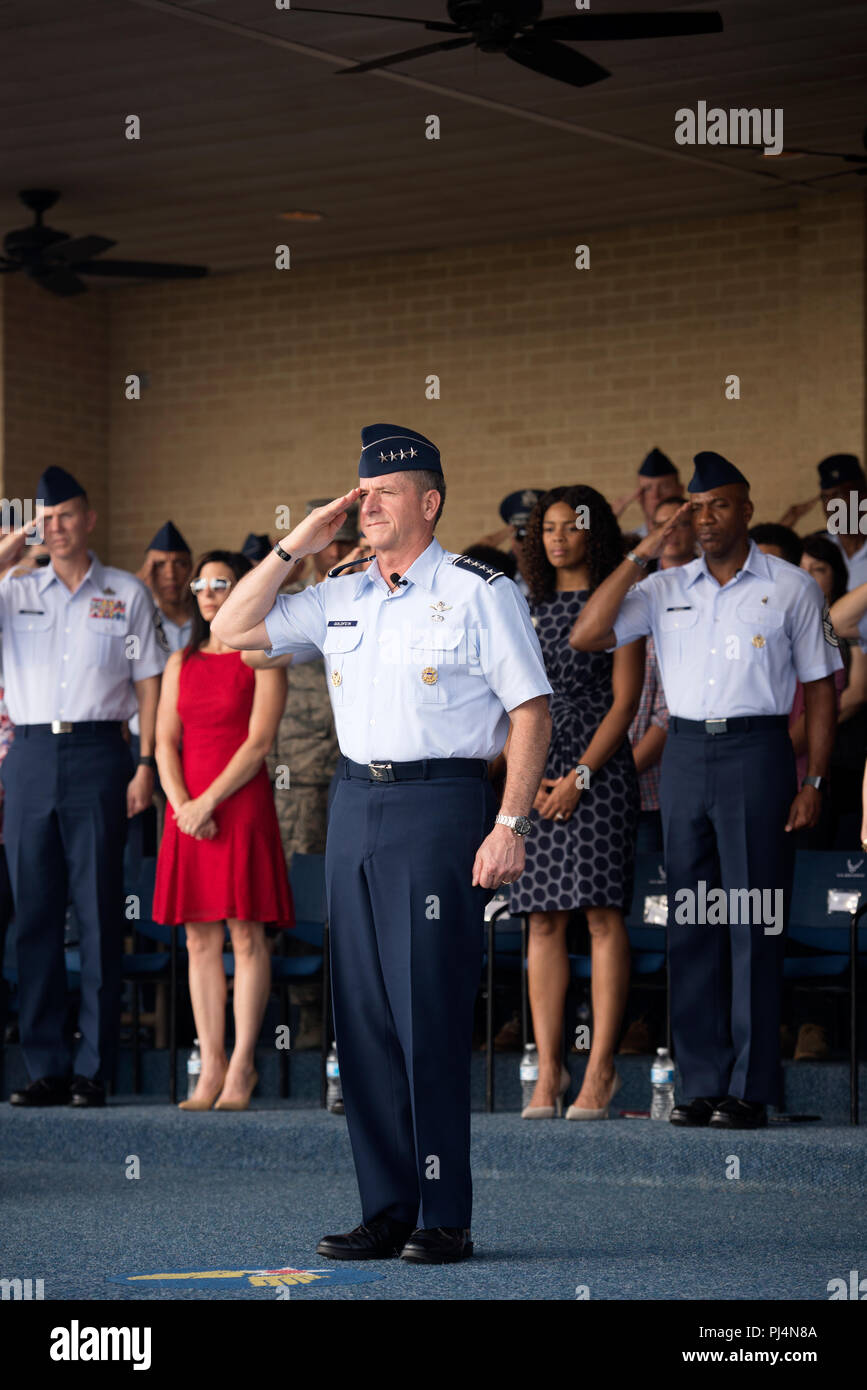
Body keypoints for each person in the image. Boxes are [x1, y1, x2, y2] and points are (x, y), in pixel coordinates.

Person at [212, 423, 552, 1263]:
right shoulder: (340, 591)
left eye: (385, 492)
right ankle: (388, 1207)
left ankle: (444, 1215)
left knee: (425, 1012)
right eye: (360, 493)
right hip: (355, 803)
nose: (366, 506)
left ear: (429, 503)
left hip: (440, 803)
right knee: (361, 1019)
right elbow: (230, 626)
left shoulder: (481, 591)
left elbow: (531, 711)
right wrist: (301, 539)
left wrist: (509, 823)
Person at [571, 451, 840, 1129]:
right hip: (686, 752)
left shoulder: (790, 588)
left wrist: (811, 779)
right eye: (696, 507)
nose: (708, 517)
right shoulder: (663, 587)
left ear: (747, 509)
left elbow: (818, 695)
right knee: (691, 920)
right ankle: (699, 1084)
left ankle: (747, 1089)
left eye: (720, 504)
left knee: (750, 917)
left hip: (756, 752)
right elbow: (588, 631)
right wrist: (643, 552)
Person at [2, 466, 167, 1107]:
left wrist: (146, 762)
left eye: (67, 516)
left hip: (103, 750)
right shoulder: (14, 590)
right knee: (34, 914)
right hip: (32, 751)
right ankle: (46, 1065)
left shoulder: (126, 592)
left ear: (90, 519)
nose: (57, 528)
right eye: (46, 520)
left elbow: (150, 682)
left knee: (99, 912)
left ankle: (94, 1069)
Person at [508, 486, 641, 1121]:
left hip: (599, 770)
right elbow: (505, 696)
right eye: (549, 528)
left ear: (595, 533)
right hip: (533, 763)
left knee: (599, 916)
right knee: (540, 919)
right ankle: (549, 1069)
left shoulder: (619, 599)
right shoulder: (522, 603)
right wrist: (526, 777)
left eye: (571, 526)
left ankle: (601, 1070)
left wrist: (578, 777)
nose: (558, 537)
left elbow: (626, 703)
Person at [153, 549, 293, 1111]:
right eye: (203, 584)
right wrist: (183, 803)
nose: (209, 593)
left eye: (222, 583)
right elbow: (163, 741)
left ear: (243, 590)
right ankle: (209, 1063)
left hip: (238, 803)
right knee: (198, 938)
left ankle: (241, 1067)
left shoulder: (262, 655)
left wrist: (208, 800)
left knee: (245, 934)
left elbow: (259, 742)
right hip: (187, 809)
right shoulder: (178, 662)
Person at [628, 495, 695, 854]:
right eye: (661, 524)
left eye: (681, 522)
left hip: (669, 773)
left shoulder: (709, 589)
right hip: (614, 782)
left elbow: (667, 711)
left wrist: (624, 769)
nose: (671, 532)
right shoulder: (640, 591)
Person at [136, 521, 195, 651]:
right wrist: (135, 587)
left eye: (180, 564)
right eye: (160, 565)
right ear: (147, 571)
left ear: (192, 570)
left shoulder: (207, 618)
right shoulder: (140, 620)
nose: (170, 575)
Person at [817, 454, 867, 590]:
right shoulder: (817, 548)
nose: (832, 506)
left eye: (839, 495)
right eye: (825, 498)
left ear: (862, 495)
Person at [613, 448, 682, 539]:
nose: (656, 495)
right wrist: (609, 519)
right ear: (638, 496)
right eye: (647, 488)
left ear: (680, 490)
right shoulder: (631, 542)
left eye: (664, 487)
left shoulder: (700, 537)